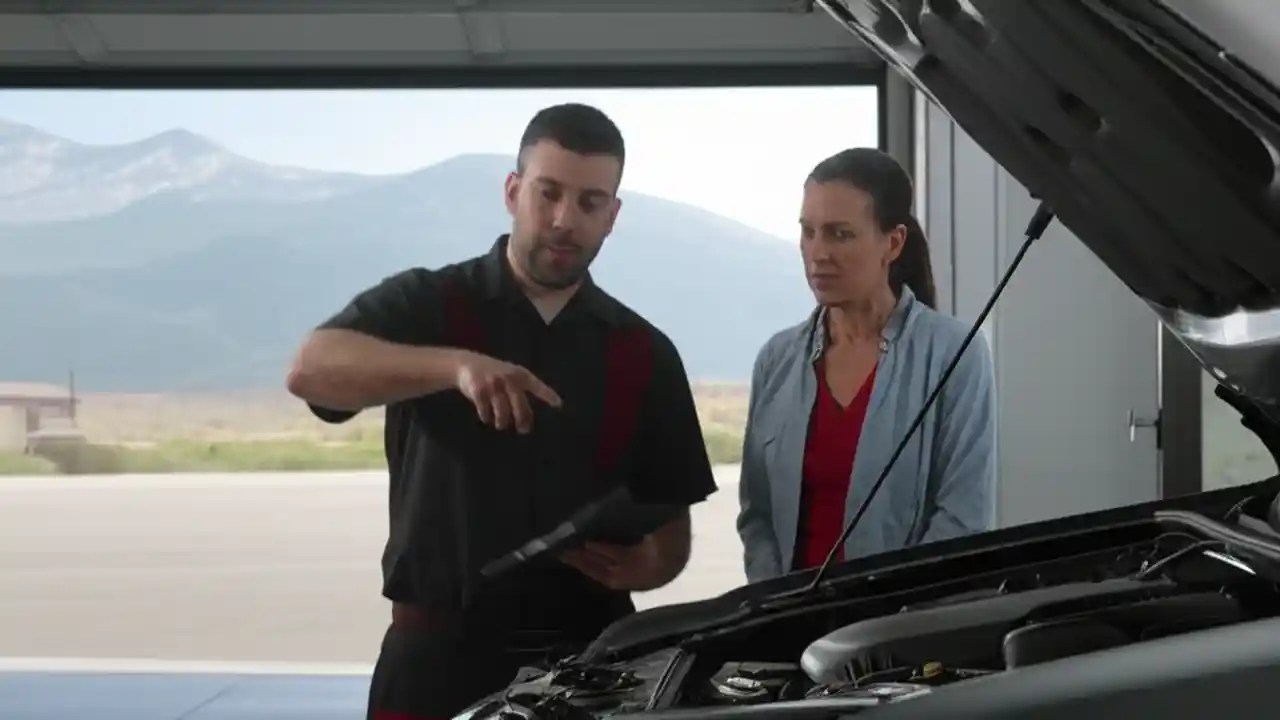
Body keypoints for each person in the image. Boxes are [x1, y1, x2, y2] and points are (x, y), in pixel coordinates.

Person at [285, 102, 718, 720]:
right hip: (433, 660)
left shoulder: (644, 352)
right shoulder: (428, 304)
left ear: (613, 217)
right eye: (549, 194)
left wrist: (649, 565)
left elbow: (671, 525)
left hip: (593, 665)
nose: (566, 220)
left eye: (590, 203)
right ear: (514, 191)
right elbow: (310, 369)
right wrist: (456, 367)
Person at [735, 147, 996, 584]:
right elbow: (757, 516)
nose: (818, 253)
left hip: (898, 631)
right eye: (809, 232)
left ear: (892, 243)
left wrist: (889, 620)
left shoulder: (955, 353)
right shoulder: (776, 360)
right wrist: (774, 605)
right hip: (789, 629)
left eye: (840, 234)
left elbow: (962, 520)